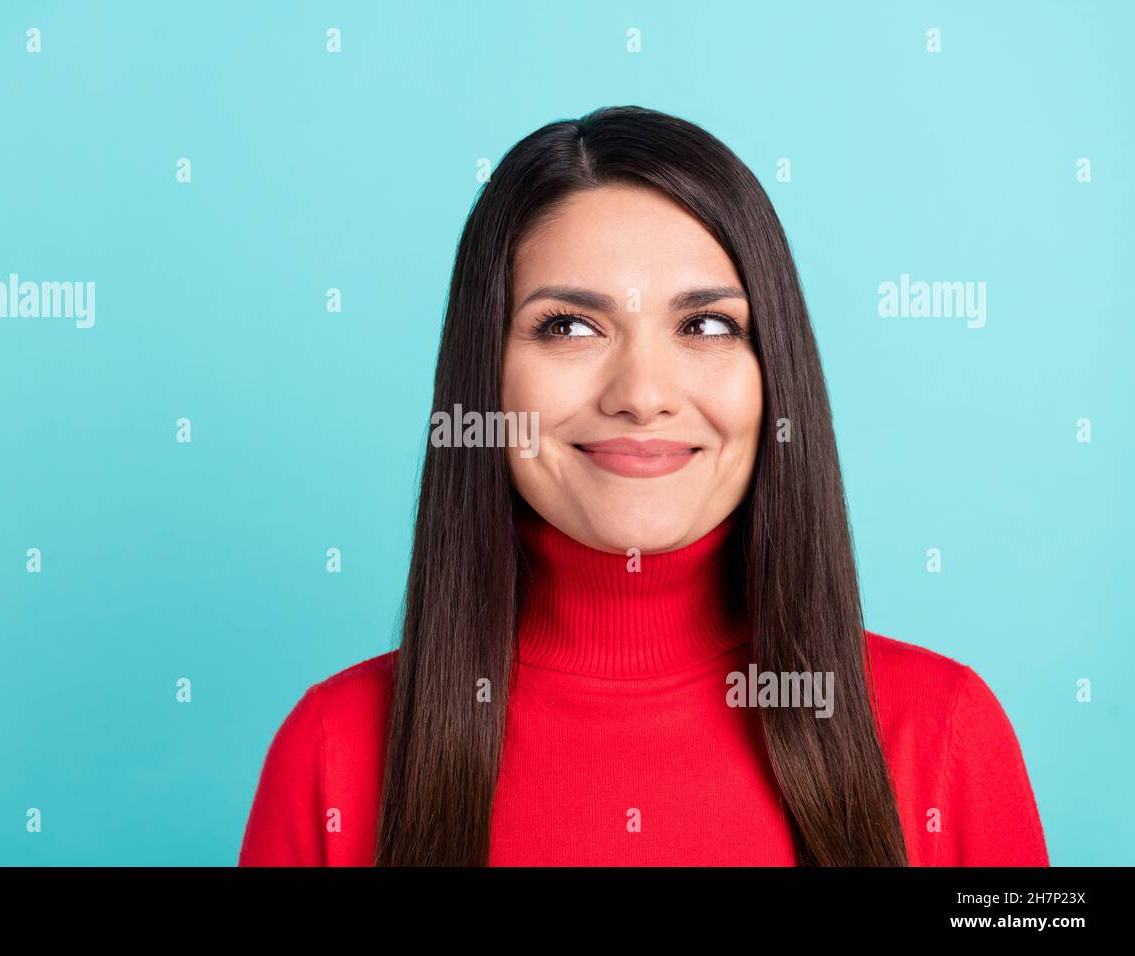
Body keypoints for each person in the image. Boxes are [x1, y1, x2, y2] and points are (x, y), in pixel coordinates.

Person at [238, 105, 1049, 866]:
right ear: (484, 374)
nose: (642, 392)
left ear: (774, 376)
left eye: (705, 325)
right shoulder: (334, 752)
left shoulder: (942, 733)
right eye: (569, 327)